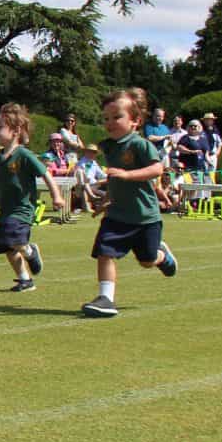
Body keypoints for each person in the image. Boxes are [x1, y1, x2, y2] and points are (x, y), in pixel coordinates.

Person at [83, 88, 178, 319]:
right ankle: (106, 298)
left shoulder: (140, 144)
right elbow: (115, 181)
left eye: (117, 117)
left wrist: (127, 174)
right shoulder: (108, 146)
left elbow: (157, 169)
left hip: (145, 217)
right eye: (106, 118)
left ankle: (162, 256)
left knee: (146, 261)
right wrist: (106, 200)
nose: (110, 122)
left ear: (135, 121)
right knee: (105, 252)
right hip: (117, 216)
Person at [0, 103, 64, 292]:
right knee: (6, 246)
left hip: (23, 210)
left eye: (0, 127)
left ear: (15, 131)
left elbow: (46, 174)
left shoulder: (23, 154)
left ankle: (30, 251)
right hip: (5, 211)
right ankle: (25, 279)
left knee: (13, 237)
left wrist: (56, 196)